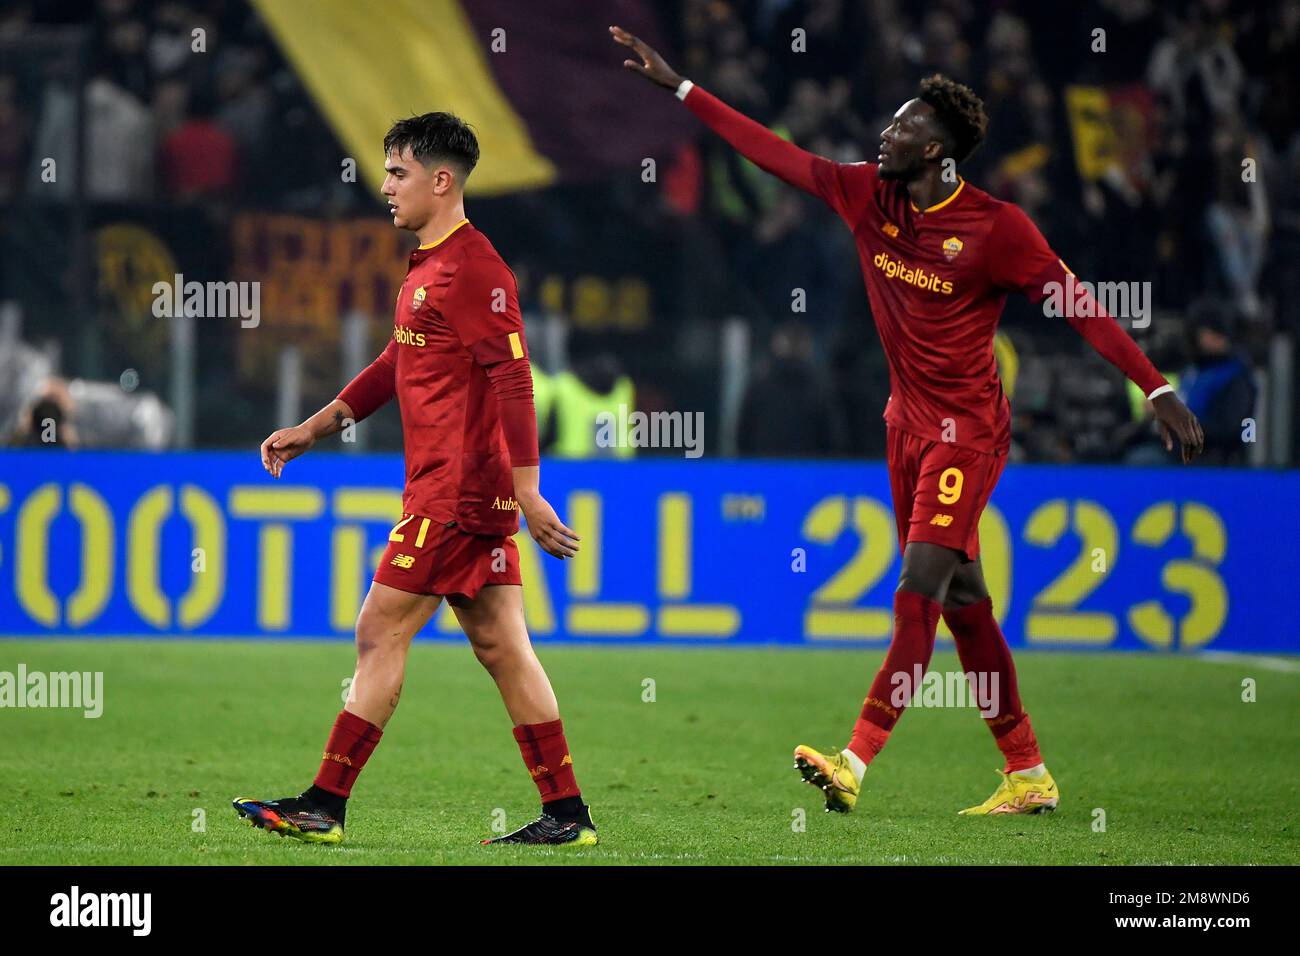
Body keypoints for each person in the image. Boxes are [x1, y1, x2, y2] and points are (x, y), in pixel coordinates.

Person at [611, 25, 1204, 816]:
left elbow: (1079, 308)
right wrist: (681, 87)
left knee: (918, 586)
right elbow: (774, 155)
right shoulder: (867, 195)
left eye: (903, 128)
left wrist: (1154, 385)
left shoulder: (999, 229)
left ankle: (855, 757)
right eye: (890, 124)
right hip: (905, 427)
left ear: (939, 154)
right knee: (965, 602)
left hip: (969, 430)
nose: (884, 135)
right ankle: (1026, 772)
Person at [233, 113, 597, 847]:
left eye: (397, 172)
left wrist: (527, 489)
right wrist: (318, 424)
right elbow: (400, 365)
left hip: (456, 494)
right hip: (463, 493)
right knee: (501, 643)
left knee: (378, 630)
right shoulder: (429, 269)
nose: (385, 186)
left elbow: (515, 379)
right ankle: (567, 815)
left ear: (441, 181)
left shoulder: (475, 270)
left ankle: (324, 804)